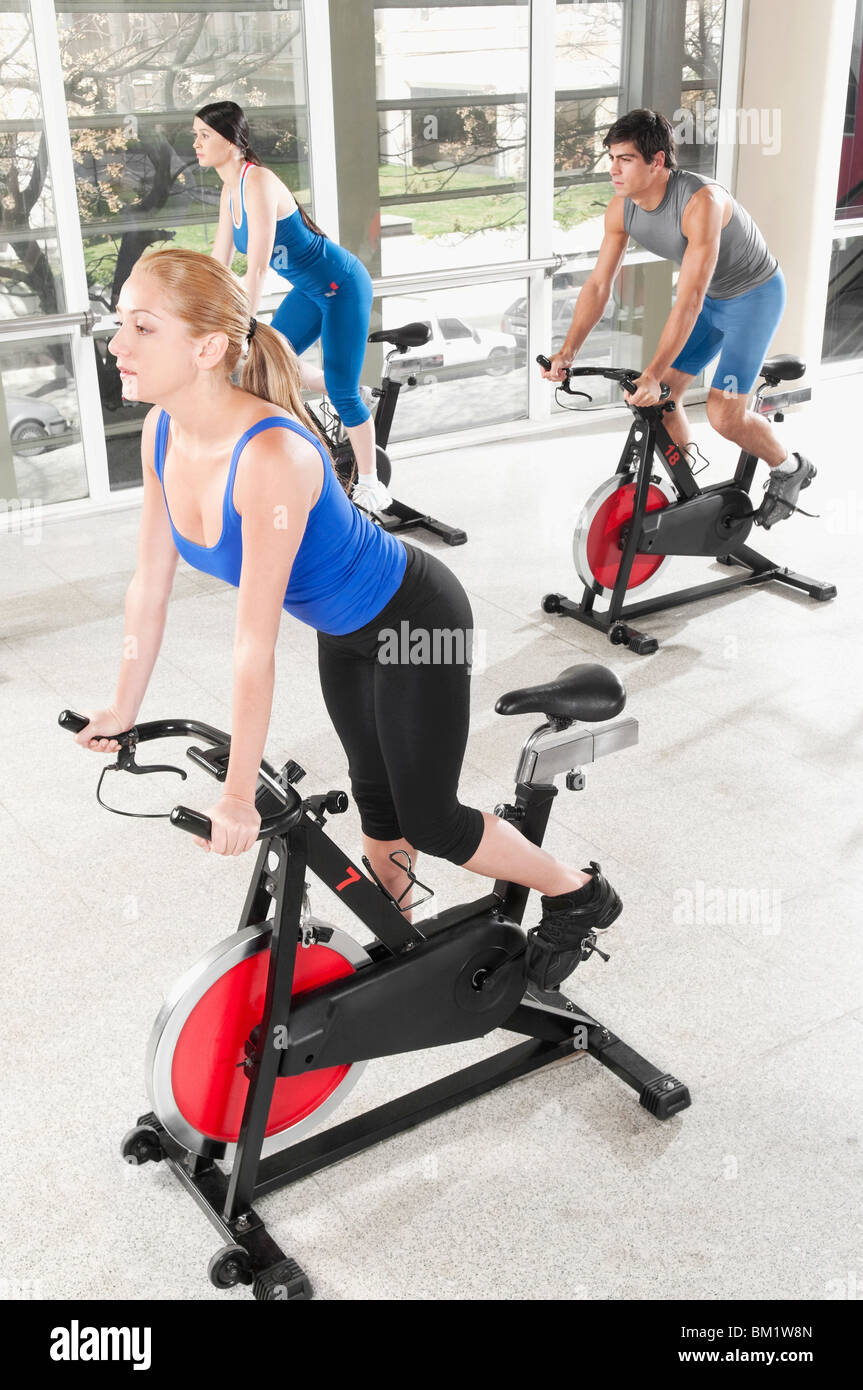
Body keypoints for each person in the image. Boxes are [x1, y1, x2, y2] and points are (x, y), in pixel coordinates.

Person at [74, 247, 620, 992]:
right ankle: (396, 938)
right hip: (346, 631)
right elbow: (149, 584)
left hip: (414, 618)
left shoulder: (268, 456)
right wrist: (122, 707)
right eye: (119, 325)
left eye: (140, 327)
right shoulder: (162, 432)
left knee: (432, 821)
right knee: (374, 793)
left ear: (205, 348)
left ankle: (577, 892)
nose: (116, 344)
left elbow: (253, 645)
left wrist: (237, 796)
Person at [542, 108, 814, 529]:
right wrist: (568, 350)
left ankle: (790, 466)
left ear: (657, 161)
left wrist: (652, 373)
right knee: (664, 404)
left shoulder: (701, 202)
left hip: (753, 299)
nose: (613, 169)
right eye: (611, 157)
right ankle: (689, 497)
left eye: (625, 159)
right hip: (709, 302)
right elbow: (599, 286)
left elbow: (688, 301)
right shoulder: (622, 207)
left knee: (725, 415)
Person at [193, 99, 391, 516]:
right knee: (262, 365)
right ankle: (351, 390)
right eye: (196, 134)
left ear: (231, 143)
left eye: (204, 135)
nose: (196, 143)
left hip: (342, 286)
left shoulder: (257, 182)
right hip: (308, 290)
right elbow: (220, 263)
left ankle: (373, 485)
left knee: (336, 389)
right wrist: (203, 312)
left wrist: (239, 328)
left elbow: (259, 267)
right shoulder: (230, 191)